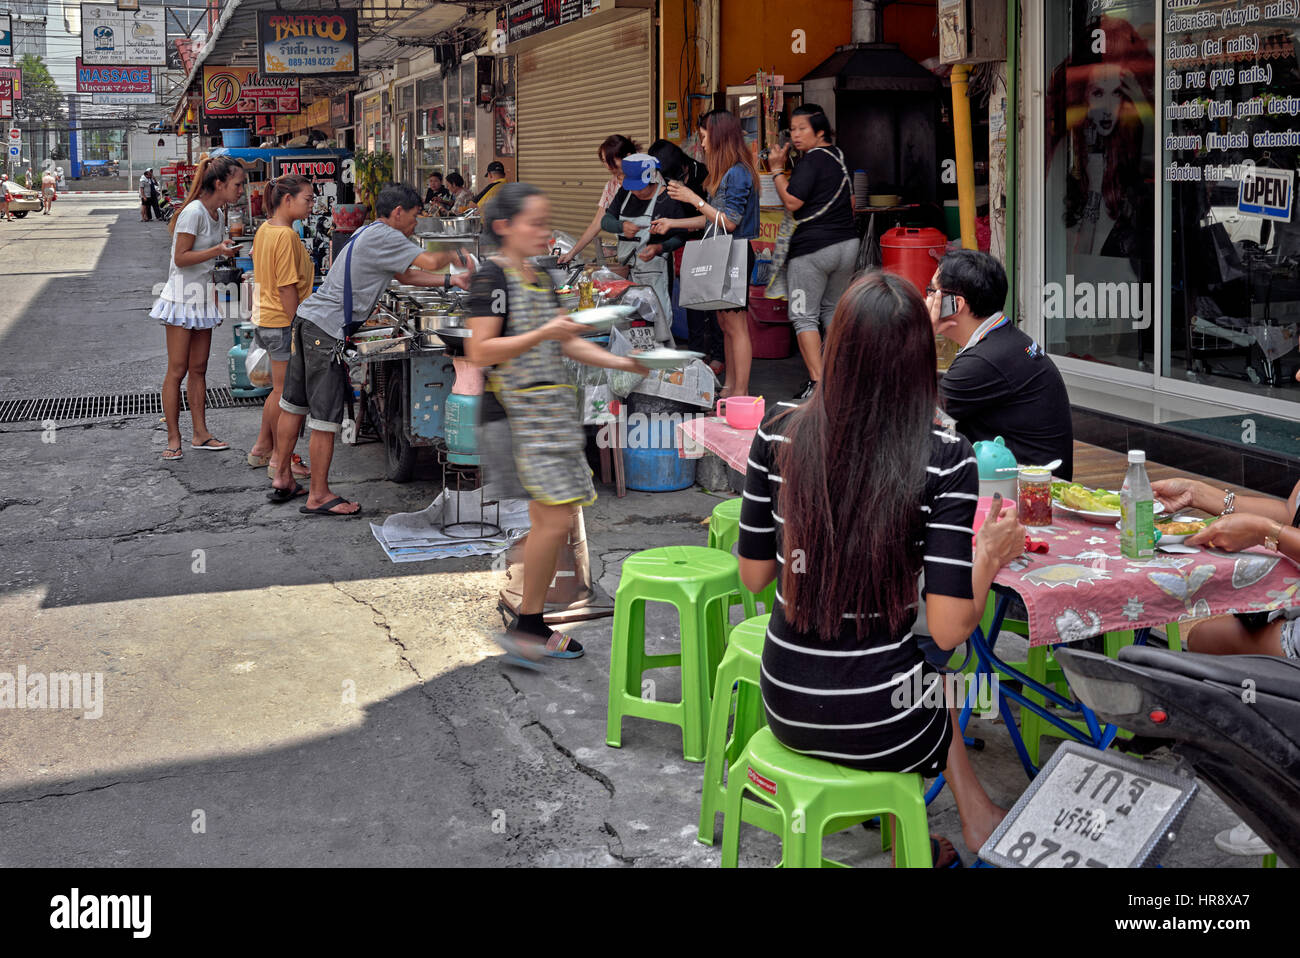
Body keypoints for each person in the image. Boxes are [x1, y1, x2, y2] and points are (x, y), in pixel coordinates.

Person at [737, 271, 1022, 865]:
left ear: (836, 346)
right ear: (921, 360)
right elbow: (948, 629)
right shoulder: (944, 460)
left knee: (920, 670)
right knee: (939, 675)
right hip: (882, 717)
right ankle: (949, 829)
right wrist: (990, 558)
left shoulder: (775, 431)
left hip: (785, 697)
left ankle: (928, 834)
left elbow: (754, 577)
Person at [465, 183, 649, 664]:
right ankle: (529, 625)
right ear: (504, 227)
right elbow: (480, 351)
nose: (546, 233)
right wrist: (547, 330)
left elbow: (564, 343)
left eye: (547, 223)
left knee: (553, 519)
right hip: (515, 415)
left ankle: (529, 623)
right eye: (535, 223)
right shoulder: (492, 280)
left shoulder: (539, 278)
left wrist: (624, 363)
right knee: (553, 519)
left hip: (548, 414)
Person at [271, 183, 473, 515]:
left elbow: (407, 276)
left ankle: (282, 477)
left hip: (308, 321)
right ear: (398, 213)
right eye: (414, 217)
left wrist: (452, 281)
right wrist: (456, 252)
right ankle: (319, 495)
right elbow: (430, 258)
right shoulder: (389, 235)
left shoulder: (370, 232)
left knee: (294, 405)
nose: (415, 224)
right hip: (326, 331)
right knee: (324, 418)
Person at [930, 250, 1074, 479]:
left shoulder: (984, 361)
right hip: (1026, 482)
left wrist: (922, 335)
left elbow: (912, 416)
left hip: (1023, 495)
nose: (927, 300)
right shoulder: (1002, 342)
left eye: (932, 292)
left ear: (954, 304)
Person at [655, 109, 760, 397]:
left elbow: (729, 221)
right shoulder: (726, 172)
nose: (701, 144)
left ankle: (741, 391)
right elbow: (711, 218)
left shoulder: (738, 172)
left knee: (736, 326)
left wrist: (694, 199)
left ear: (719, 136)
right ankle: (729, 389)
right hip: (725, 252)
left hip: (734, 253)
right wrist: (673, 223)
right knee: (726, 324)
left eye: (703, 137)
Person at [149, 154, 246, 461]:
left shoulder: (218, 213)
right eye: (238, 184)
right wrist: (217, 250)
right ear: (219, 183)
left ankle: (200, 433)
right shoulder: (193, 212)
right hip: (180, 299)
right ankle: (174, 438)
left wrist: (222, 255)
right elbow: (180, 258)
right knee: (177, 370)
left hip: (202, 298)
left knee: (199, 370)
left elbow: (204, 259)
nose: (241, 190)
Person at [765, 104, 859, 399]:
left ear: (820, 132)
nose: (795, 135)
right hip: (847, 245)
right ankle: (839, 378)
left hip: (813, 250)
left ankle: (819, 384)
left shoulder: (812, 160)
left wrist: (777, 170)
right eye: (792, 129)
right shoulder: (839, 157)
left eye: (802, 129)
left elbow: (792, 202)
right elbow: (853, 203)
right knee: (832, 310)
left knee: (804, 316)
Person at [248, 175, 315, 493]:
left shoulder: (266, 229)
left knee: (278, 391)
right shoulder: (285, 235)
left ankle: (263, 449)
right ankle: (279, 458)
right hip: (280, 321)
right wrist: (297, 326)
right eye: (308, 198)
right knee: (284, 395)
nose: (312, 204)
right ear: (287, 200)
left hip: (267, 316)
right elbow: (287, 287)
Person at [599, 153, 691, 342]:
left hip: (654, 276)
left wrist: (660, 247)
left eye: (639, 188)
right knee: (627, 326)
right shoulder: (625, 193)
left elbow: (682, 236)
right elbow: (605, 221)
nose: (636, 192)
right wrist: (621, 227)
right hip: (624, 276)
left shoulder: (668, 200)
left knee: (658, 326)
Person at [557, 134, 639, 266]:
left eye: (612, 162)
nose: (608, 167)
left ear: (628, 157)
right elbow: (597, 223)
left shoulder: (647, 179)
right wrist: (572, 253)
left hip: (650, 251)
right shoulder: (611, 186)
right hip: (626, 251)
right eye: (604, 161)